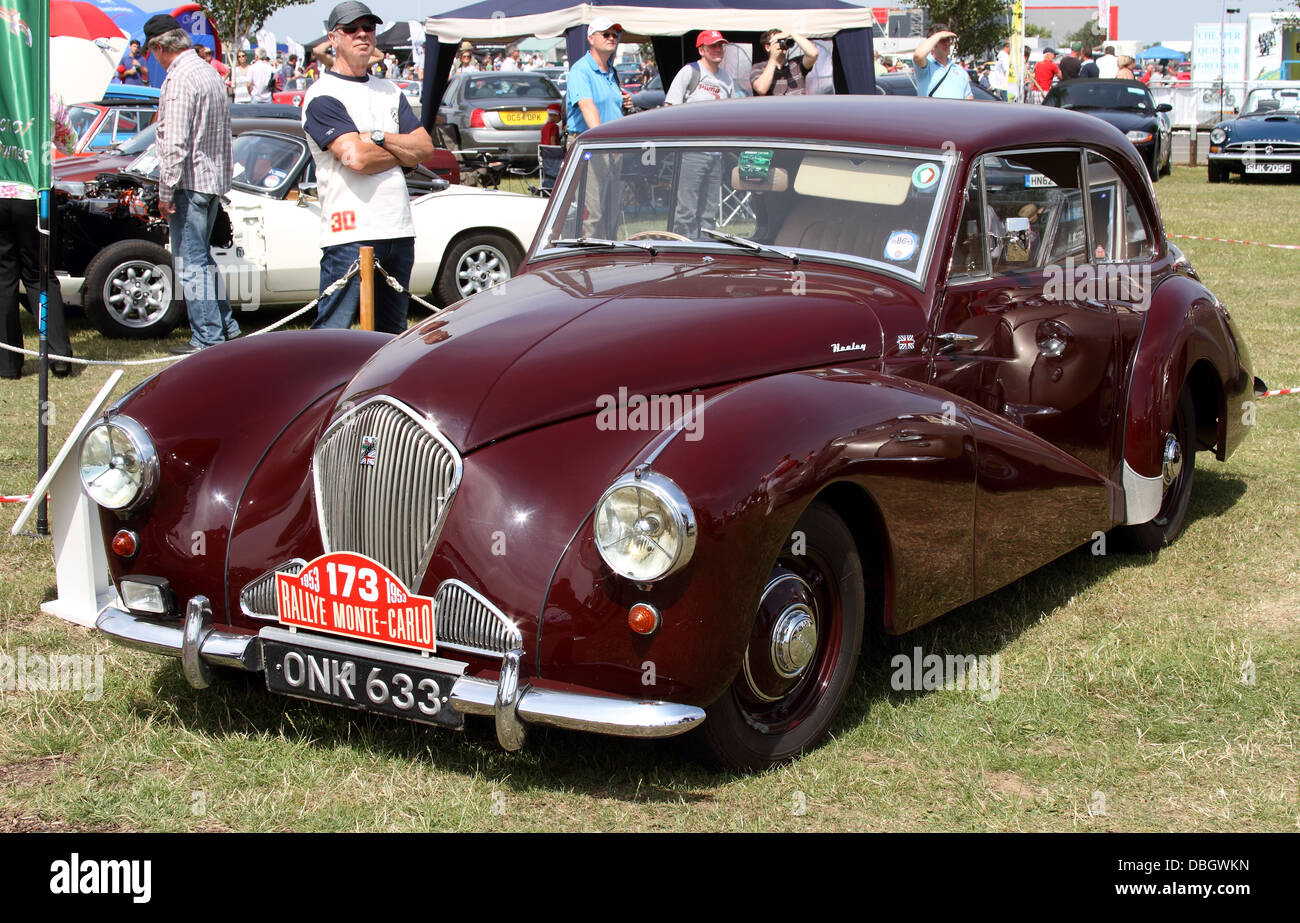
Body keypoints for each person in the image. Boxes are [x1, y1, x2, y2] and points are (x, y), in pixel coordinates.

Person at [301, 1, 434, 334]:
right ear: (334, 38)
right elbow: (357, 160)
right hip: (351, 232)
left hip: (398, 227)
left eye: (368, 27)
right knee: (333, 334)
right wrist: (403, 153)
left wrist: (375, 136)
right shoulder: (322, 94)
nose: (362, 34)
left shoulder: (389, 90)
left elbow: (425, 148)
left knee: (392, 336)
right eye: (351, 28)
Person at [145, 14, 239, 354]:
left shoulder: (181, 77)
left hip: (190, 181)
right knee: (202, 260)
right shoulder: (206, 71)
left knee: (190, 264)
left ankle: (208, 338)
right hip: (210, 180)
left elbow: (175, 142)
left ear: (158, 47)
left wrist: (165, 190)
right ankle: (224, 327)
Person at [1, 97, 77, 379]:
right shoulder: (49, 95)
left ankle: (8, 363)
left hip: (3, 191)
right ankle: (58, 356)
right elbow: (69, 144)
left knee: (3, 278)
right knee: (40, 275)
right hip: (35, 194)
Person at [666, 30, 738, 240]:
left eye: (720, 46)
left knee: (710, 211)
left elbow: (733, 113)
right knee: (686, 209)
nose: (718, 50)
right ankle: (682, 250)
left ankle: (706, 248)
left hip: (717, 153)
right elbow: (670, 107)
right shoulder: (690, 72)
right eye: (713, 46)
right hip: (692, 151)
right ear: (701, 49)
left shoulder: (726, 78)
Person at [750, 29, 819, 96]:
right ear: (768, 47)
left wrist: (791, 34)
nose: (782, 43)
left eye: (784, 40)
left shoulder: (796, 64)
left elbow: (813, 54)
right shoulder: (759, 67)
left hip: (797, 107)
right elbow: (761, 89)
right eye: (779, 41)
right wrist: (773, 59)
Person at [912, 24, 973, 99]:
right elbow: (918, 55)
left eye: (948, 39)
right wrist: (939, 35)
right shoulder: (926, 67)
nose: (947, 43)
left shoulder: (960, 71)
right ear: (933, 44)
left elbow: (969, 98)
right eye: (942, 40)